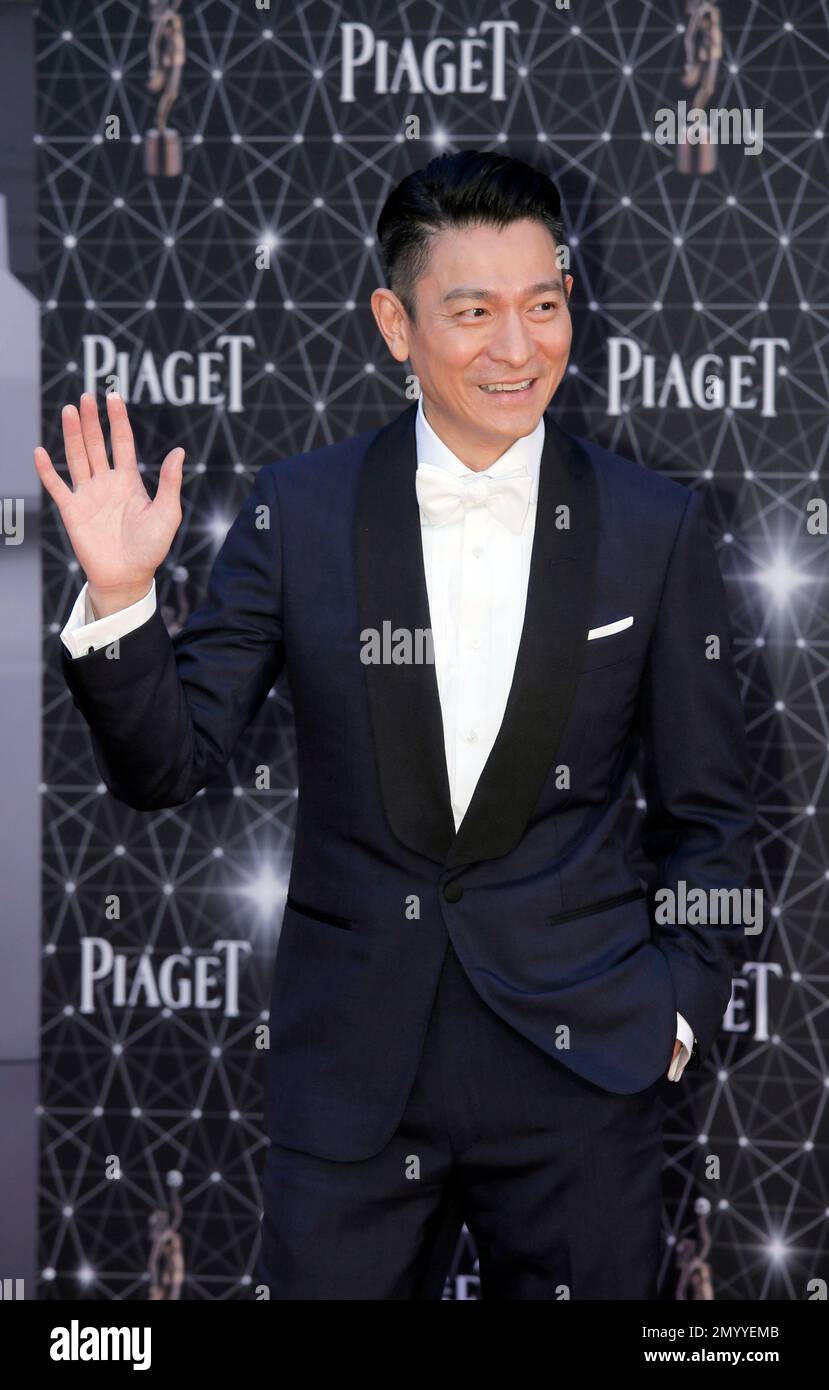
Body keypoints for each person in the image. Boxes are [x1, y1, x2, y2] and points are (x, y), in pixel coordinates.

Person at [35, 150, 755, 1300]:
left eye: (544, 305)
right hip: (352, 1082)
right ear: (394, 322)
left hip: (583, 1075)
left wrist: (671, 1017)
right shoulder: (300, 509)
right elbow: (169, 765)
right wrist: (123, 602)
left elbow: (712, 812)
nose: (517, 350)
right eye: (472, 311)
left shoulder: (653, 526)